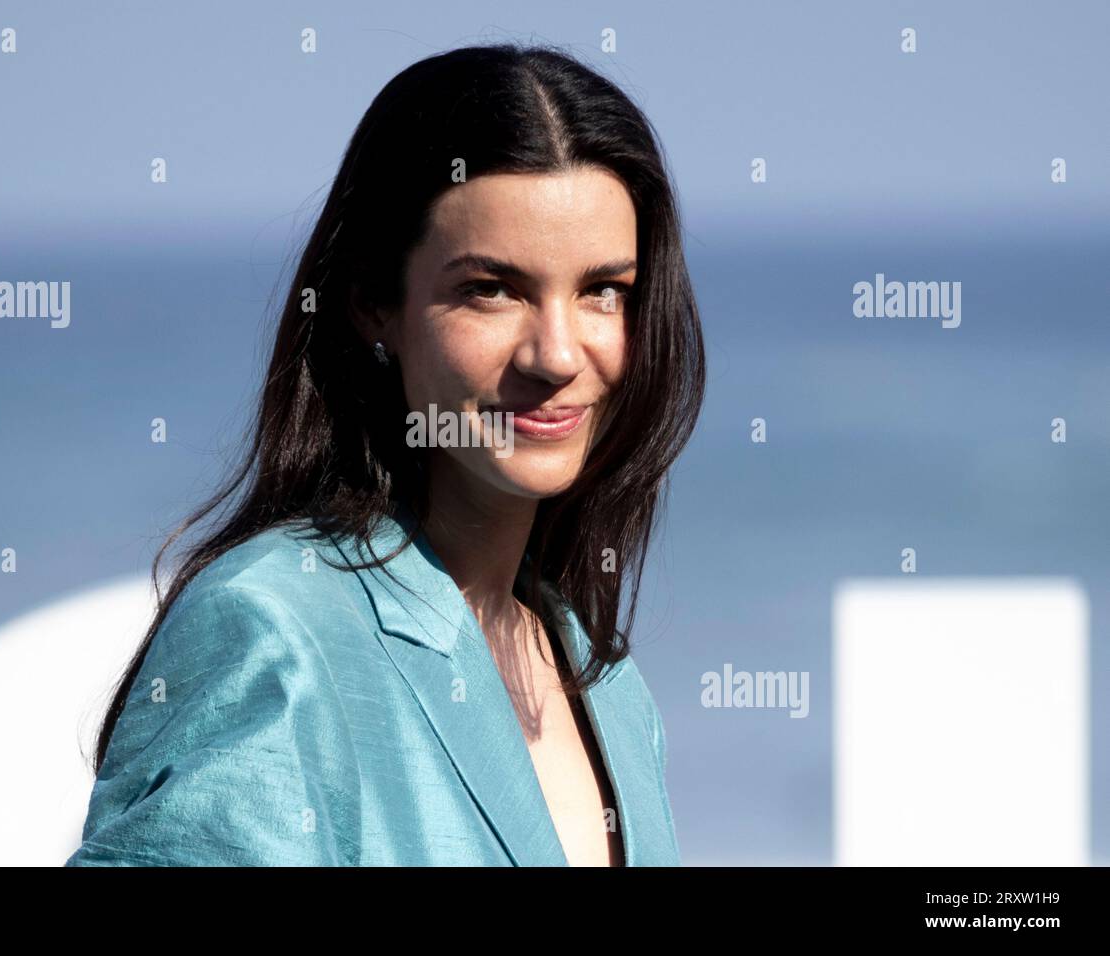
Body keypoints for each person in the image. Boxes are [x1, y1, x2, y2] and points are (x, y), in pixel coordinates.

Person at [66, 41, 704, 867]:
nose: (556, 354)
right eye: (491, 289)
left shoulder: (605, 683)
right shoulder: (272, 629)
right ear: (374, 304)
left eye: (601, 292)